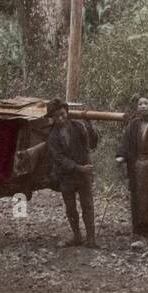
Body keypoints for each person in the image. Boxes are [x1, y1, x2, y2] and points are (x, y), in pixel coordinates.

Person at [46, 98, 99, 248]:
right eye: (56, 116)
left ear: (67, 112)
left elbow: (93, 143)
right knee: (70, 207)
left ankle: (91, 238)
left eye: (63, 114)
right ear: (52, 118)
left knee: (87, 205)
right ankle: (77, 236)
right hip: (66, 176)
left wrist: (89, 124)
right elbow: (59, 158)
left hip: (83, 175)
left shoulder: (78, 126)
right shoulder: (53, 136)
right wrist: (77, 167)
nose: (61, 118)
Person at [116, 95, 148, 239]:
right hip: (138, 166)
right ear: (137, 108)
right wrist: (121, 155)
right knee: (140, 197)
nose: (143, 106)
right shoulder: (133, 125)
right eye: (140, 104)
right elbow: (125, 143)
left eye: (146, 103)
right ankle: (142, 228)